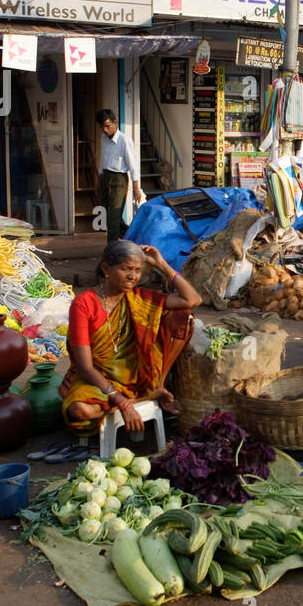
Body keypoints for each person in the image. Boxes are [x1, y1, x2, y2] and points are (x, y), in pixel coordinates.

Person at [61, 241, 201, 444]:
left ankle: (154, 388)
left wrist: (161, 265)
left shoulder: (139, 297)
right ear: (106, 269)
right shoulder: (84, 303)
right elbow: (85, 367)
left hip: (135, 373)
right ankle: (147, 398)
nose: (132, 276)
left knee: (181, 316)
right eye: (126, 269)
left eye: (137, 270)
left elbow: (193, 299)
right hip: (97, 378)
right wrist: (122, 402)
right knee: (80, 410)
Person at [96, 109, 144, 246]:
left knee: (114, 214)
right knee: (106, 213)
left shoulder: (124, 140)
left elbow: (133, 165)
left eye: (108, 126)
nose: (105, 130)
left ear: (115, 122)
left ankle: (111, 248)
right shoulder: (103, 138)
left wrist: (136, 188)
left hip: (119, 179)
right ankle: (132, 238)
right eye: (102, 127)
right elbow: (103, 159)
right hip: (105, 176)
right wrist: (99, 179)